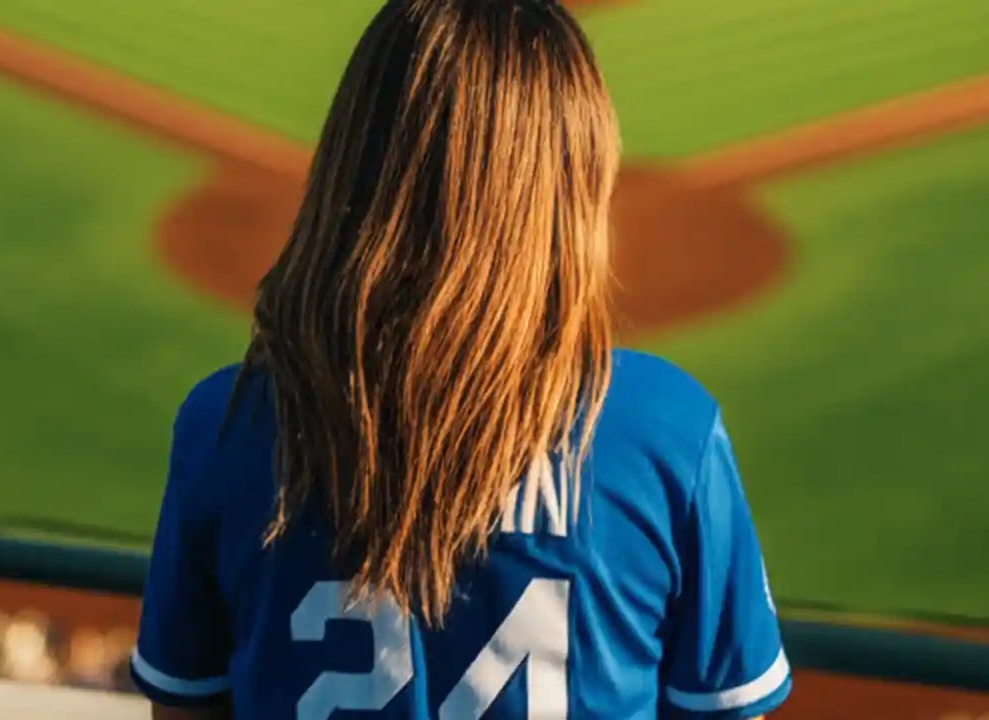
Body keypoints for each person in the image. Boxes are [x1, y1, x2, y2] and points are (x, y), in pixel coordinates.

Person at [130, 0, 790, 717]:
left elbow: (184, 706)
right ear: (576, 181)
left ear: (353, 163)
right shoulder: (666, 433)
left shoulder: (225, 427)